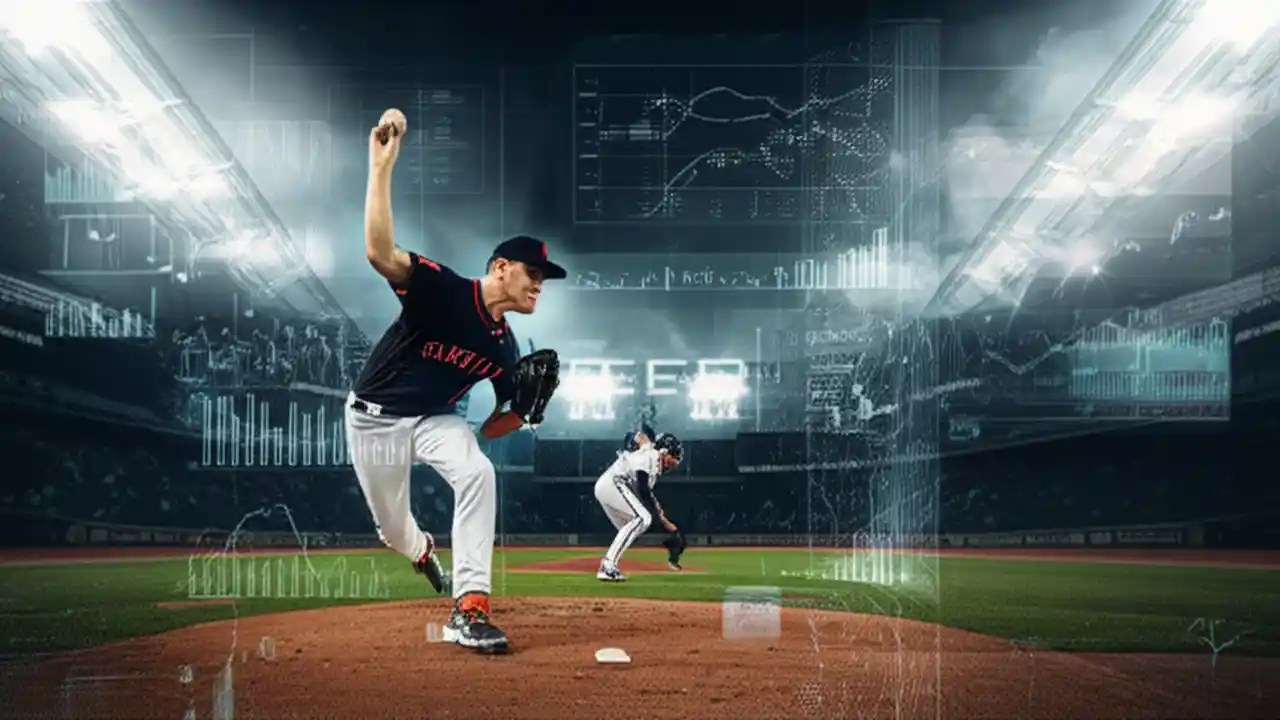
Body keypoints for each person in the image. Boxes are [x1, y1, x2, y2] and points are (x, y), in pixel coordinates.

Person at [344, 109, 565, 653]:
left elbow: (493, 428)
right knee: (394, 532)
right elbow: (379, 253)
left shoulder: (504, 347)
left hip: (438, 420)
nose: (539, 284)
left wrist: (529, 410)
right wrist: (380, 167)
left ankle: (470, 606)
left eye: (543, 279)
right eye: (532, 274)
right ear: (499, 268)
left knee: (478, 473)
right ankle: (421, 549)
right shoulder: (443, 289)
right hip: (375, 418)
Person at [593, 432, 683, 581]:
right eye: (673, 457)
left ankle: (610, 565)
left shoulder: (652, 469)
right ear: (664, 452)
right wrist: (641, 439)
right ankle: (607, 566)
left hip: (611, 486)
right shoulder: (651, 454)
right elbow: (643, 490)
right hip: (613, 483)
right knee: (643, 518)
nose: (673, 463)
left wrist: (671, 528)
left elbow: (648, 497)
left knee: (634, 526)